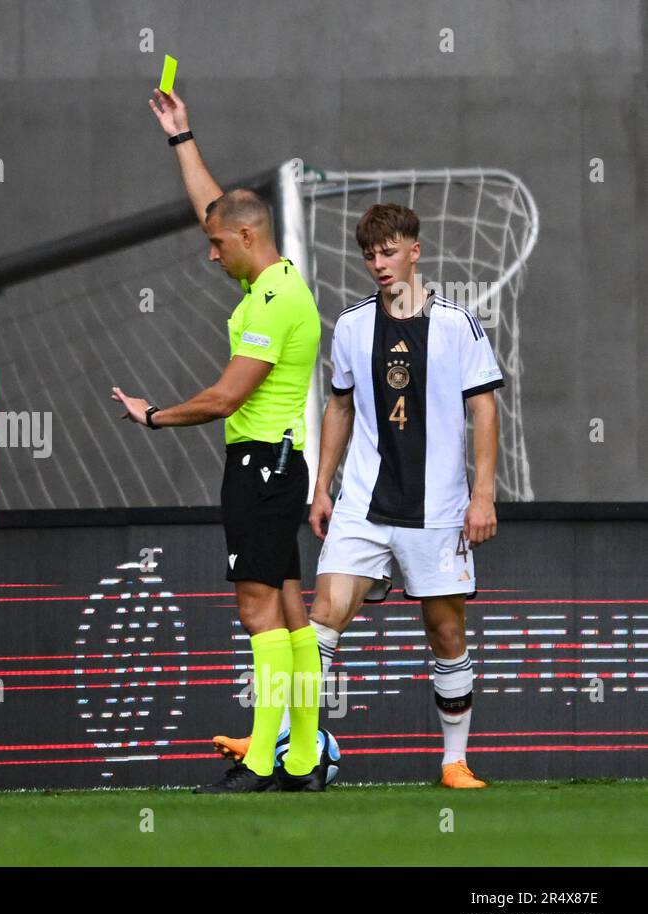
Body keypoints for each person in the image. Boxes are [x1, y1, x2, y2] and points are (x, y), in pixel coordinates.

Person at [212, 203, 501, 788]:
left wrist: (484, 494)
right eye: (370, 255)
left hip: (437, 508)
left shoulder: (456, 325)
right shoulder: (350, 326)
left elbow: (483, 406)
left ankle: (454, 762)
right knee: (321, 617)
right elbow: (339, 405)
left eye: (389, 251)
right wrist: (322, 486)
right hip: (363, 503)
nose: (379, 264)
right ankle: (291, 740)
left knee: (446, 631)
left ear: (415, 251)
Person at [112, 87, 323, 792]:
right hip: (278, 464)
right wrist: (182, 138)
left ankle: (266, 758)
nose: (210, 256)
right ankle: (298, 759)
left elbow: (227, 395)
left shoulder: (274, 300)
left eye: (215, 245)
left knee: (257, 609)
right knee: (290, 611)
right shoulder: (274, 280)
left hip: (263, 464)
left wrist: (154, 417)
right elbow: (218, 210)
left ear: (247, 240)